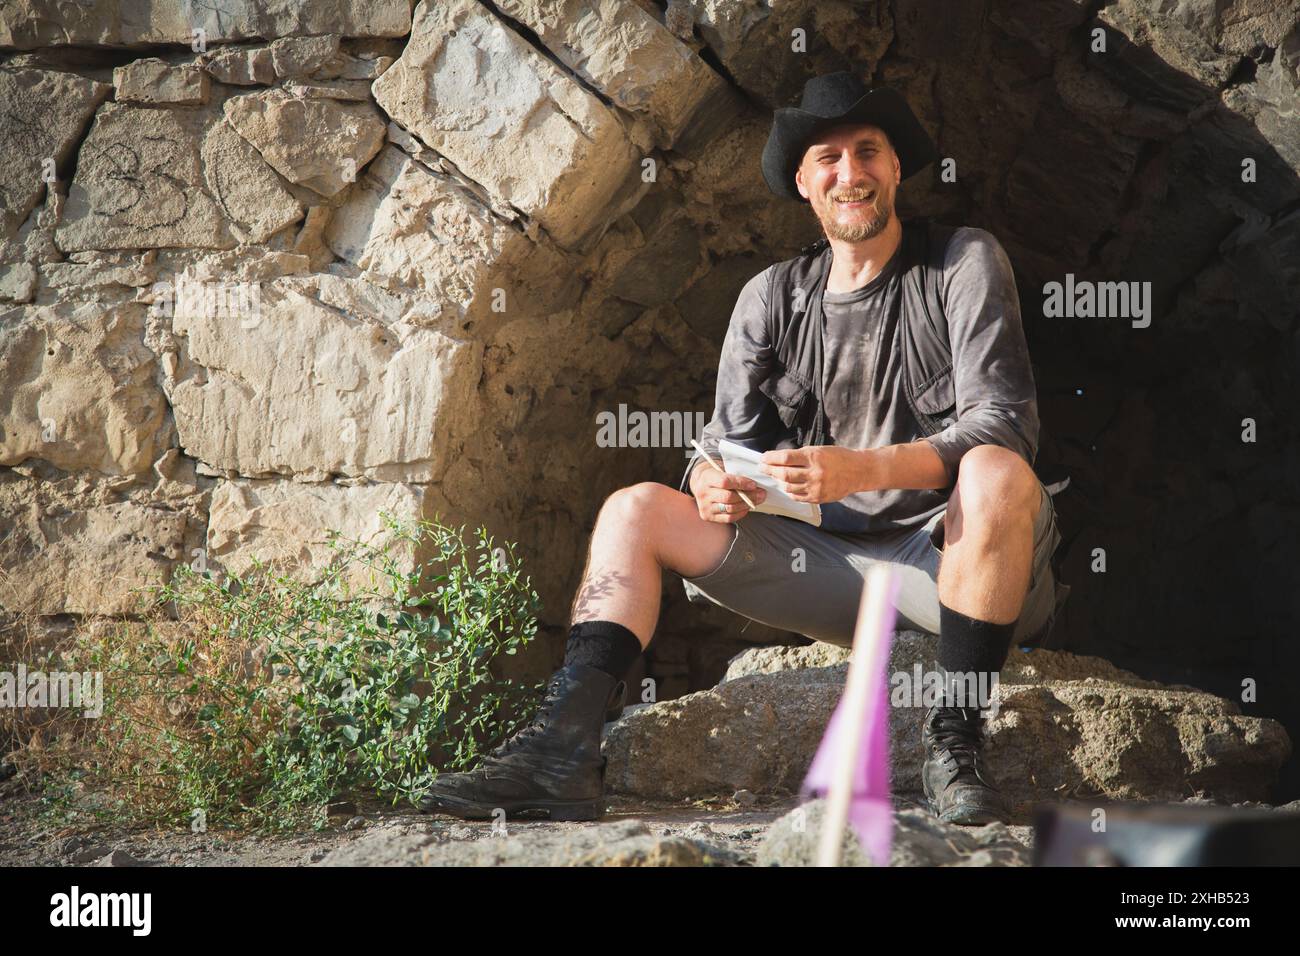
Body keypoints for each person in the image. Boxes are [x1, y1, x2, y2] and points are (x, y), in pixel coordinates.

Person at [419, 71, 1065, 826]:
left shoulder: (962, 261)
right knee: (636, 509)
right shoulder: (770, 296)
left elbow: (1006, 425)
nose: (849, 173)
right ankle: (560, 751)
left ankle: (955, 743)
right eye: (828, 160)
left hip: (963, 567)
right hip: (833, 571)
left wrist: (862, 468)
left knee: (994, 471)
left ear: (895, 167)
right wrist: (708, 484)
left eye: (867, 152)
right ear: (803, 181)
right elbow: (717, 447)